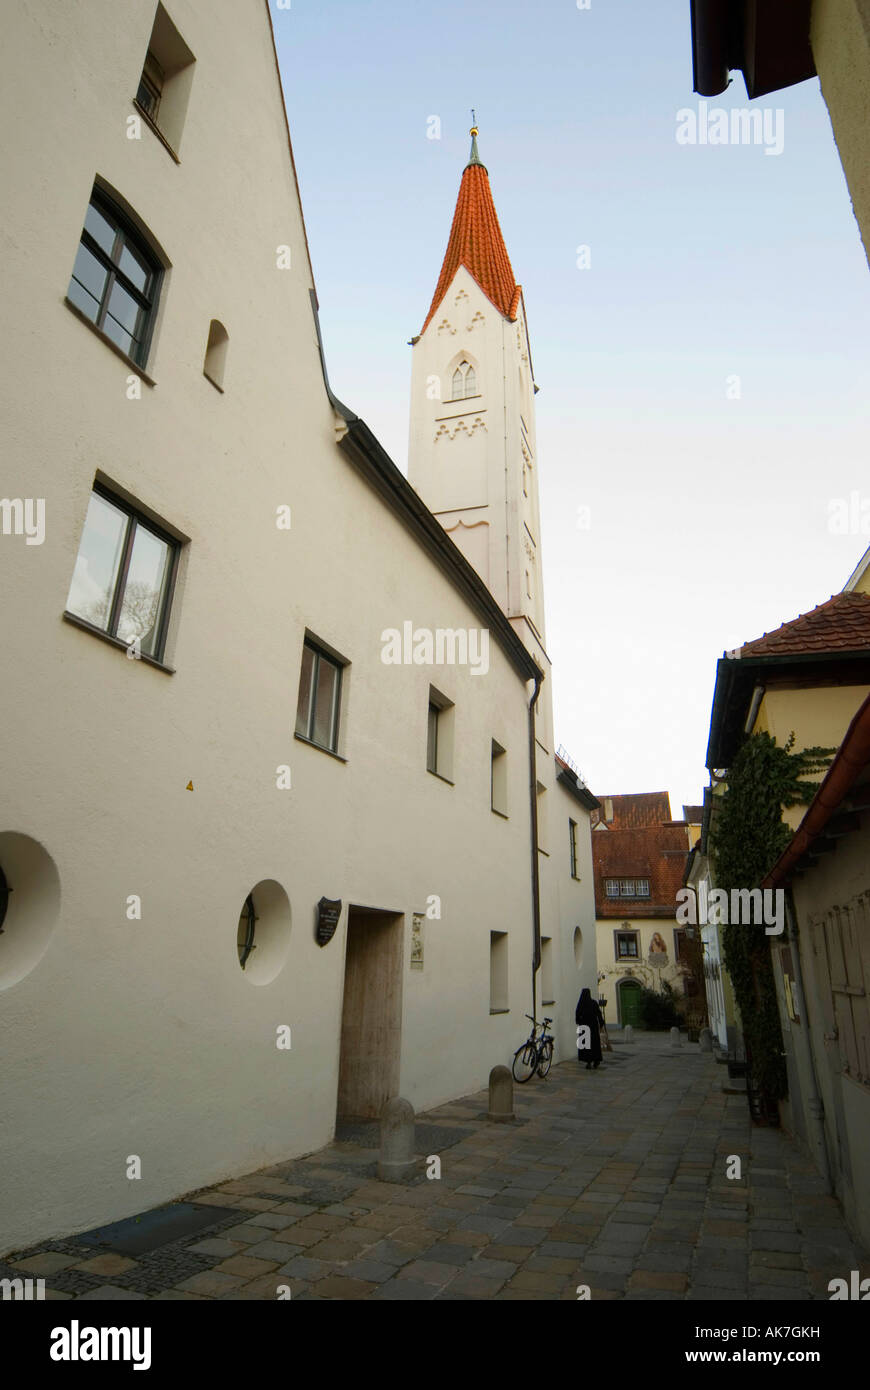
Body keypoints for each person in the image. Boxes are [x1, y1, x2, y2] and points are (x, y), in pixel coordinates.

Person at [575, 987, 605, 1070]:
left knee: (586, 1045)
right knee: (594, 1044)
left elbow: (577, 1014)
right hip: (593, 1027)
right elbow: (598, 1013)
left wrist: (578, 1021)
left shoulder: (581, 1004)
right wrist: (601, 1023)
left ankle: (588, 1061)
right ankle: (596, 1060)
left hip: (584, 1027)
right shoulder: (593, 1003)